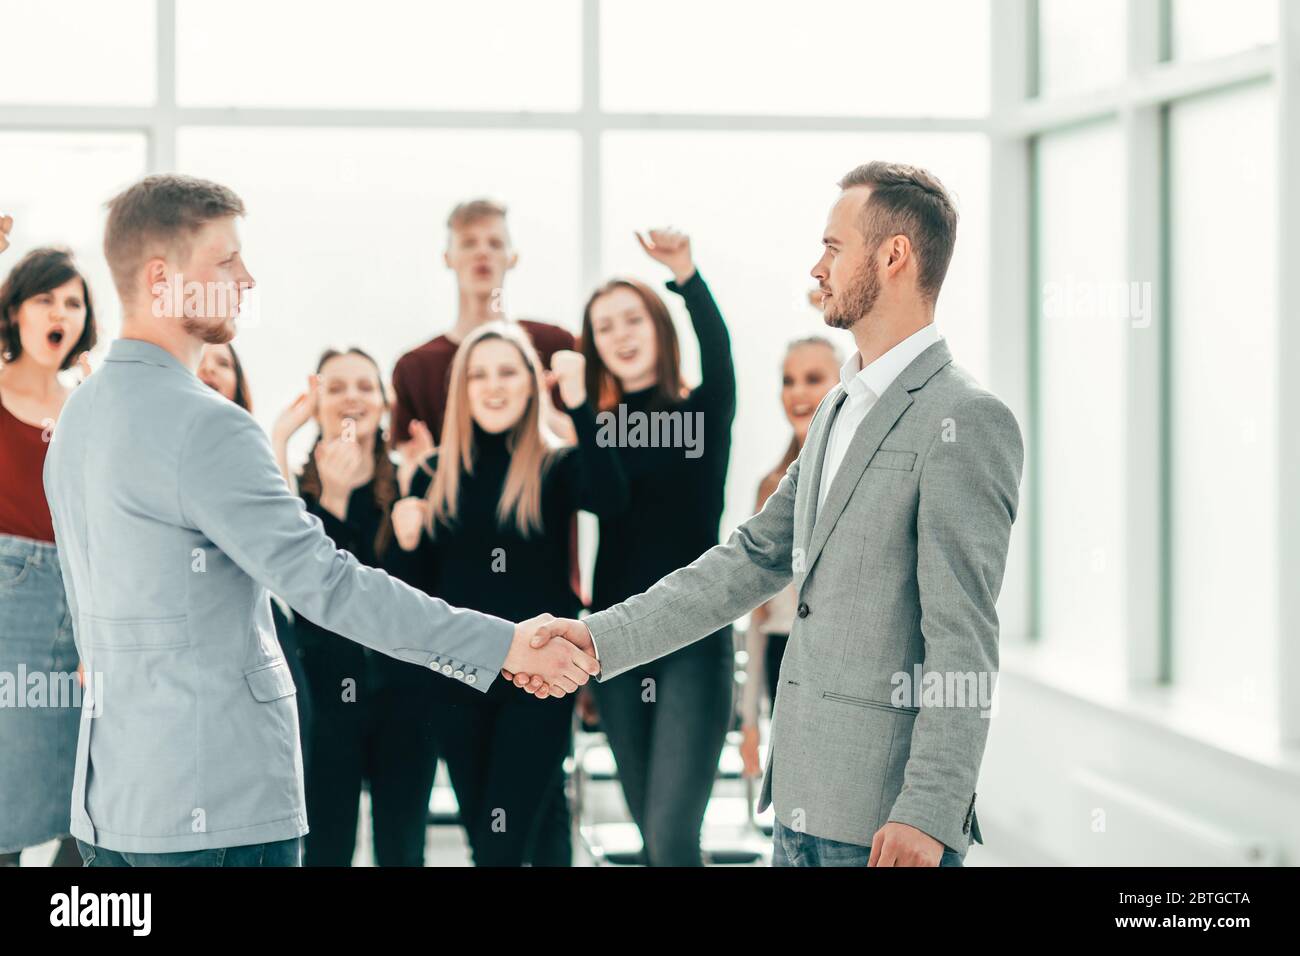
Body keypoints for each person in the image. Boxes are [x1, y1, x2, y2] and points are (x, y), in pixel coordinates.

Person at [43, 173, 597, 868]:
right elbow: (331, 587)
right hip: (217, 808)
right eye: (226, 261)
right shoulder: (209, 426)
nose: (247, 277)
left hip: (114, 806)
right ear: (163, 278)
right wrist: (504, 645)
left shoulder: (76, 421)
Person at [516, 162, 1025, 868]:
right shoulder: (839, 411)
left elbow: (963, 639)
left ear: (894, 255)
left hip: (887, 826)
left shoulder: (965, 419)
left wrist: (931, 810)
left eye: (833, 248)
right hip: (798, 804)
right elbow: (750, 558)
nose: (818, 268)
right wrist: (596, 638)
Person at [391, 324, 626, 865]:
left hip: (540, 681)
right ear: (462, 389)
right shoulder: (431, 474)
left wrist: (581, 404)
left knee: (501, 844)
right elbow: (413, 594)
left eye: (507, 372)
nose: (493, 386)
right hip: (458, 683)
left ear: (530, 384)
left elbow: (611, 497)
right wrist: (405, 540)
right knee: (516, 833)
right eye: (479, 374)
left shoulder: (556, 466)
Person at [576, 227, 738, 866]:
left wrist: (687, 276)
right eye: (603, 327)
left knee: (672, 843)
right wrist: (582, 412)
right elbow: (603, 500)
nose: (619, 333)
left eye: (631, 317)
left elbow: (719, 351)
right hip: (616, 638)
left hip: (694, 636)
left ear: (658, 324)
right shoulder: (601, 425)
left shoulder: (704, 410)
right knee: (651, 840)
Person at [271, 347, 442, 866]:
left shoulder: (415, 483)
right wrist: (334, 505)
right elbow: (312, 597)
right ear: (315, 402)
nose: (352, 397)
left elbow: (415, 600)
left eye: (365, 386)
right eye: (337, 386)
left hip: (407, 702)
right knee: (326, 847)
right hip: (324, 703)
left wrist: (417, 517)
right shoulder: (293, 492)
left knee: (402, 847)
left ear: (385, 404)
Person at [0, 239, 97, 867]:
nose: (60, 311)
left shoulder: (91, 406)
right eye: (44, 298)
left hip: (85, 600)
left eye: (73, 301)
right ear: (14, 312)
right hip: (10, 606)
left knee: (89, 784)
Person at [198, 341, 313, 773]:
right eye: (199, 362)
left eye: (223, 363)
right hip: (189, 636)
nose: (210, 369)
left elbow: (288, 546)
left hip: (262, 628)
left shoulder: (249, 451)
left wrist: (281, 436)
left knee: (278, 762)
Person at [738, 336, 842, 778]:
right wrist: (749, 722)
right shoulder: (771, 487)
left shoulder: (857, 476)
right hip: (783, 654)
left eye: (813, 379)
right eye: (788, 381)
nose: (798, 393)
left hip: (842, 659)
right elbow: (758, 614)